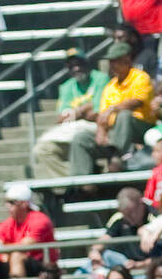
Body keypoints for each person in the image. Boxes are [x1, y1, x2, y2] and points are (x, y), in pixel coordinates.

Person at [69, 43, 154, 178]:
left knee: (124, 115)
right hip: (115, 132)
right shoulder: (110, 86)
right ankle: (81, 183)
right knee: (81, 138)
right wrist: (100, 131)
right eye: (110, 62)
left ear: (127, 60)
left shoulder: (140, 77)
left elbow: (137, 101)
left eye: (115, 61)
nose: (112, 65)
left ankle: (117, 157)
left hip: (141, 128)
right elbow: (102, 114)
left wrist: (114, 108)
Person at [33, 50, 109, 181]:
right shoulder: (66, 86)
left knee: (78, 138)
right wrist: (83, 110)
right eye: (72, 65)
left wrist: (75, 112)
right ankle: (78, 179)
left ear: (86, 63)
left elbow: (97, 112)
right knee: (41, 149)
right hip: (71, 128)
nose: (76, 68)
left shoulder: (100, 78)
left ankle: (83, 178)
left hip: (95, 127)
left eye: (79, 64)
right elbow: (61, 117)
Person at [0, 182, 58, 279]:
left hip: (42, 269)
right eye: (6, 202)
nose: (7, 206)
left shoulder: (40, 220)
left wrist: (1, 248)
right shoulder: (8, 223)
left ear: (24, 204)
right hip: (18, 268)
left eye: (11, 202)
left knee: (16, 255)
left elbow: (24, 247)